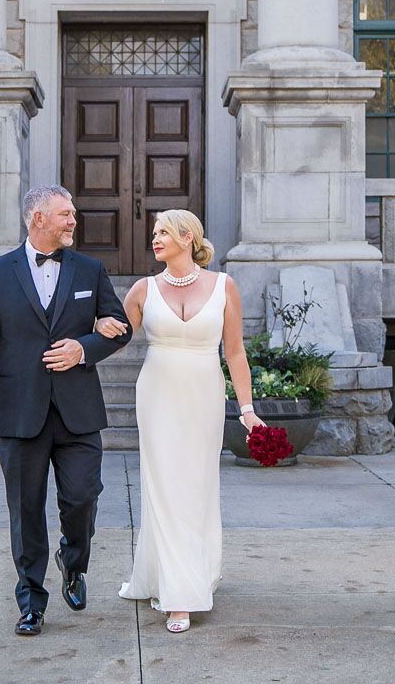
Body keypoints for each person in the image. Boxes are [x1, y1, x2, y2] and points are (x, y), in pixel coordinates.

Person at [0, 184, 133, 638]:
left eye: (72, 214)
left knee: (83, 496)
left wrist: (84, 347)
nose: (74, 221)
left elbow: (120, 329)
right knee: (26, 509)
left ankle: (74, 562)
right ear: (38, 219)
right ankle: (31, 601)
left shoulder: (90, 270)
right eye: (65, 214)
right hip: (20, 412)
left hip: (78, 412)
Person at [102, 208, 262, 635]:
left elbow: (235, 354)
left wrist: (246, 410)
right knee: (165, 486)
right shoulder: (142, 289)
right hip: (156, 395)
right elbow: (115, 341)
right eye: (153, 233)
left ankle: (190, 571)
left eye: (162, 233)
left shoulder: (224, 286)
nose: (154, 239)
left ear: (188, 237)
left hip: (204, 395)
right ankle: (179, 596)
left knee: (197, 486)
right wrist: (92, 331)